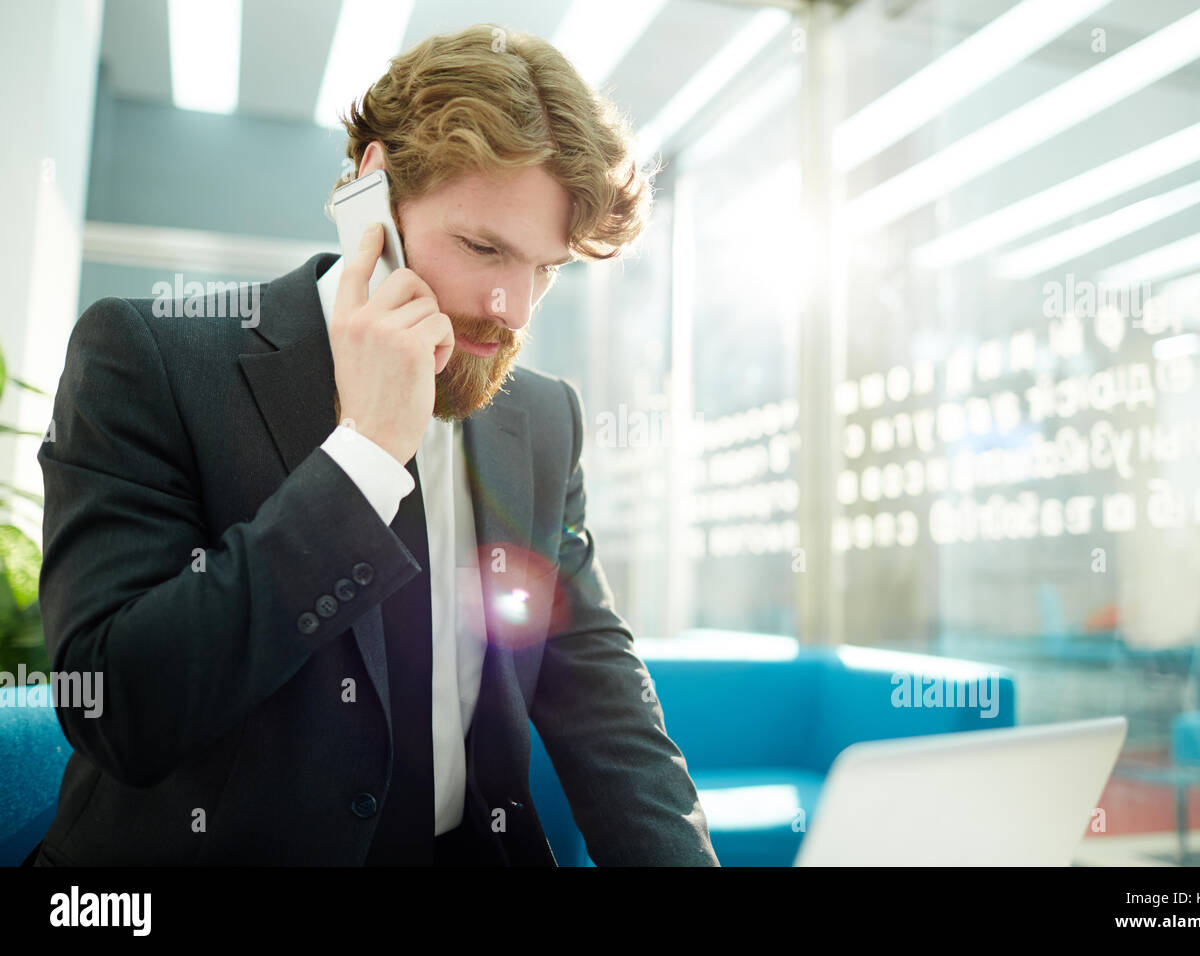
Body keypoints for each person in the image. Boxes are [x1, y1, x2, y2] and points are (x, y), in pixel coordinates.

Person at [31, 23, 719, 867]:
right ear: (373, 192)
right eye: (483, 248)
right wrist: (359, 461)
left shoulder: (540, 421)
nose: (515, 310)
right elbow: (118, 709)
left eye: (546, 268)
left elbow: (609, 714)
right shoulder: (150, 360)